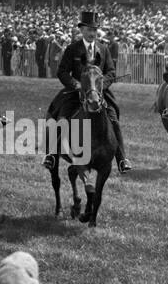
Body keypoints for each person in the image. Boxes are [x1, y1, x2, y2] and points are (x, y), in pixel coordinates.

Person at [46, 10, 131, 173]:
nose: (92, 33)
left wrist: (99, 86)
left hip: (98, 92)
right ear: (82, 30)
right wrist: (75, 84)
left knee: (113, 117)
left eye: (94, 30)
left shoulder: (103, 49)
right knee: (61, 115)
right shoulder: (72, 49)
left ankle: (122, 158)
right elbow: (62, 71)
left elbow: (111, 72)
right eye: (89, 29)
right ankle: (51, 154)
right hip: (76, 91)